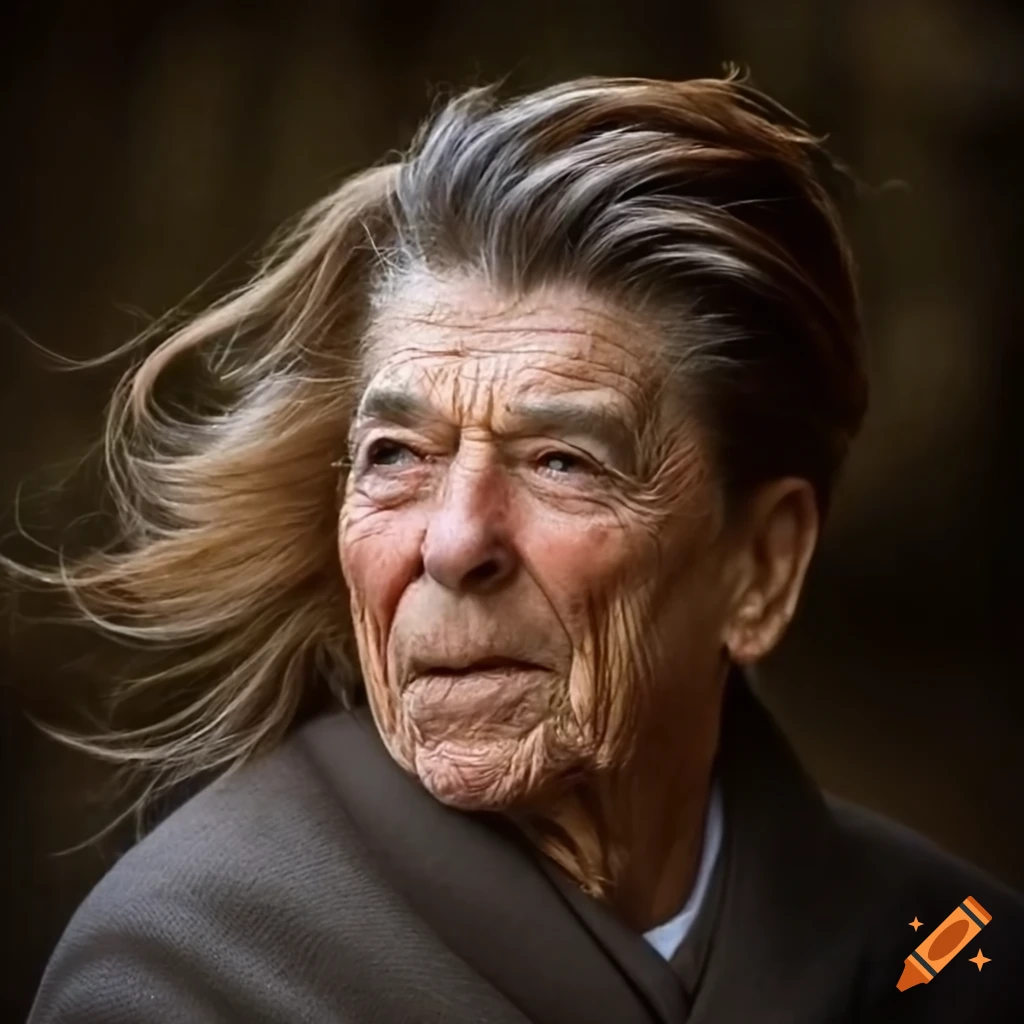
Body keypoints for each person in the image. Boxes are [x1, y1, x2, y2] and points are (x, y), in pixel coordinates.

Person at [23, 74, 1023, 1024]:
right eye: (397, 456)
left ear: (759, 567)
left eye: (562, 461)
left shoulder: (950, 950)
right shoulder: (189, 971)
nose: (456, 542)